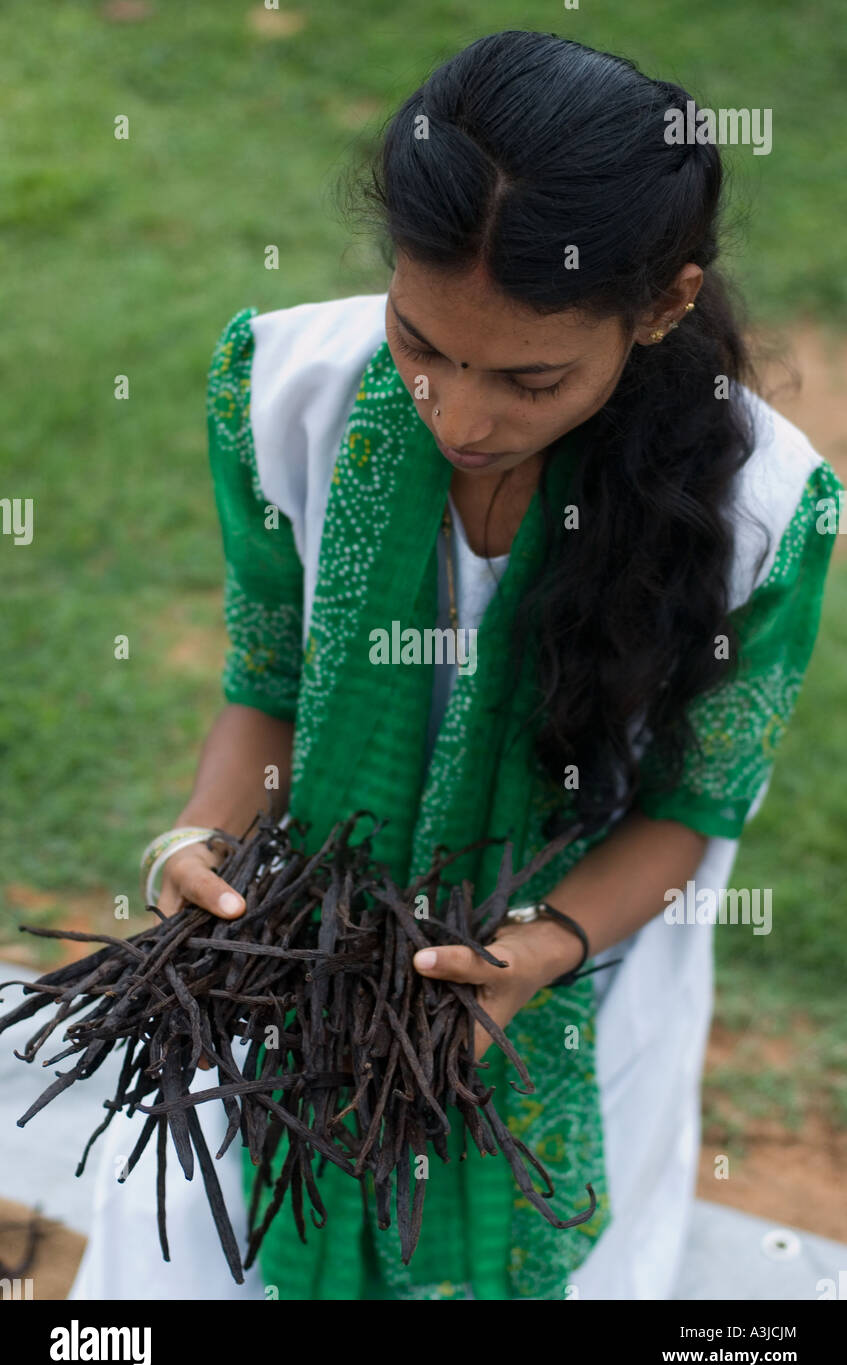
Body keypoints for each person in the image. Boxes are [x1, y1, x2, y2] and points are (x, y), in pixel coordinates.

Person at [70, 30, 839, 1301]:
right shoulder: (283, 393)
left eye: (530, 379)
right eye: (421, 344)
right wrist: (196, 843)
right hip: (296, 965)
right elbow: (265, 688)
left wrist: (537, 953)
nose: (460, 416)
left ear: (661, 304)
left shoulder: (762, 508)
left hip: (572, 981)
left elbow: (685, 813)